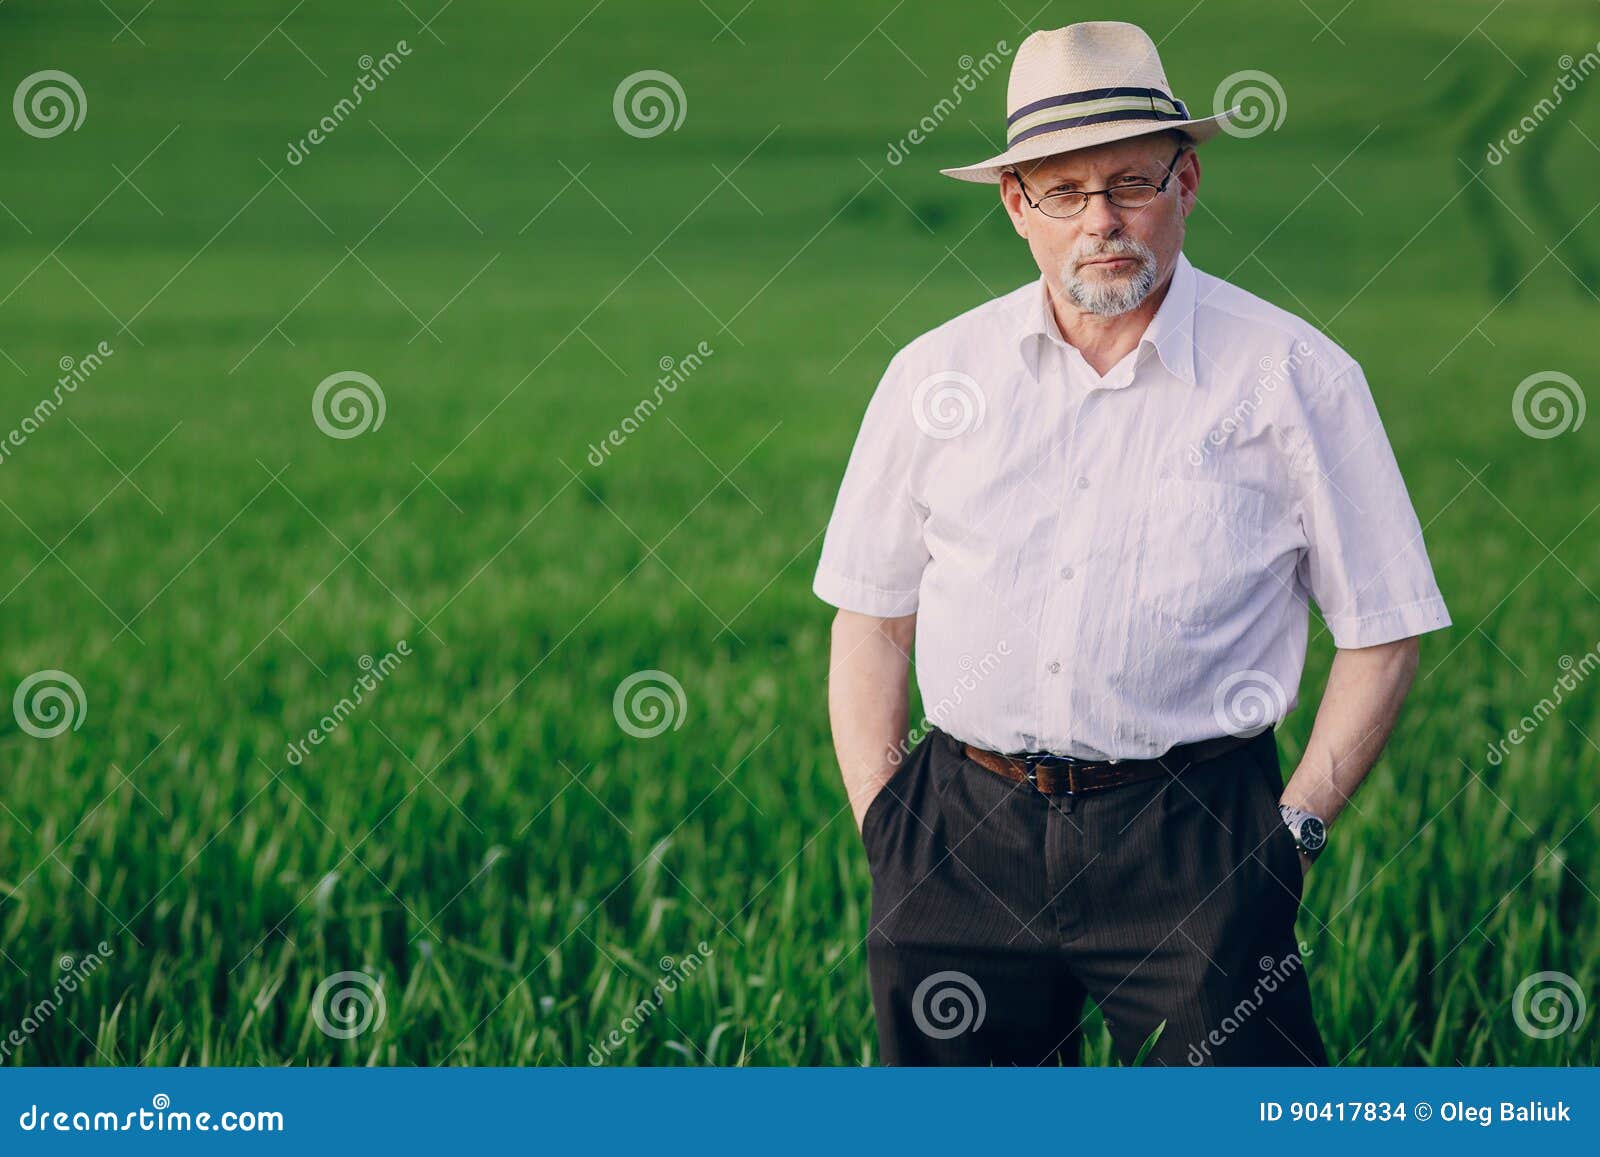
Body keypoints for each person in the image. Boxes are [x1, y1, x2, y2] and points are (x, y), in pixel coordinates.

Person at [813, 20, 1451, 1066]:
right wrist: (889, 828)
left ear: (1187, 180)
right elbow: (871, 619)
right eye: (1062, 190)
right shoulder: (934, 376)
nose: (1100, 220)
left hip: (1194, 834)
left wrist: (1287, 843)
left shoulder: (1295, 377)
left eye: (1130, 182)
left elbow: (1382, 634)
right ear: (1017, 204)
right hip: (957, 836)